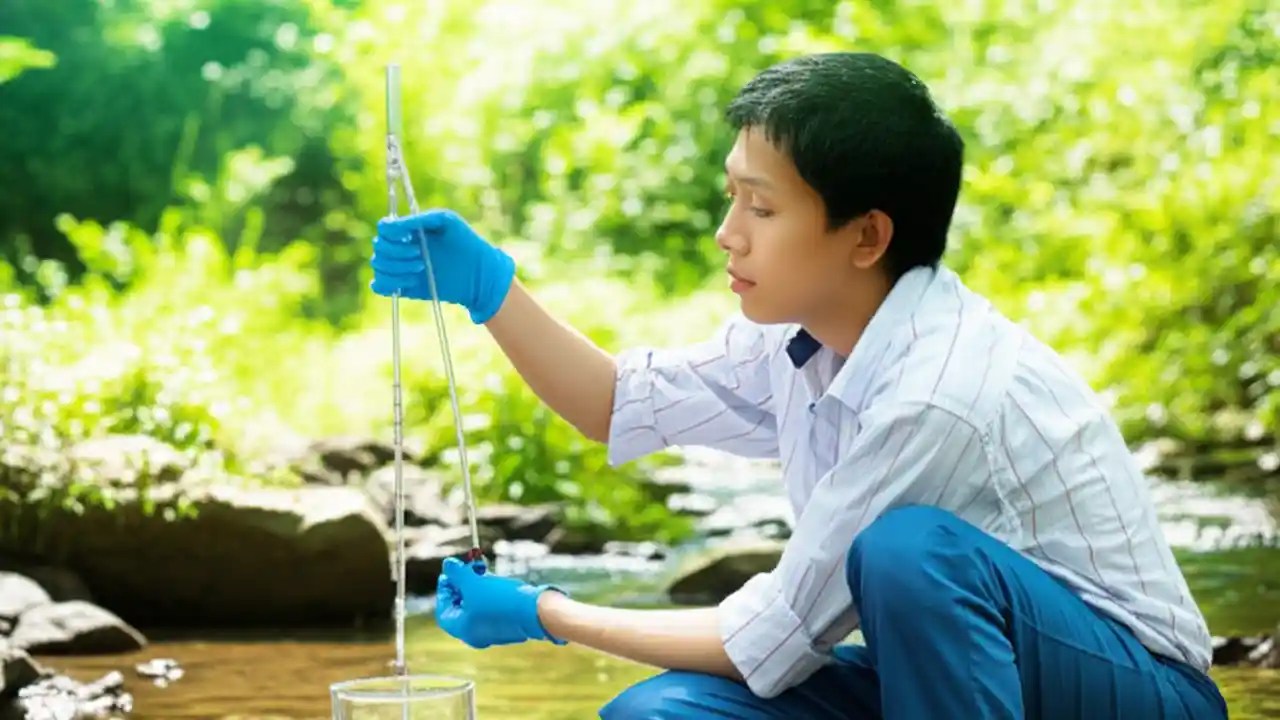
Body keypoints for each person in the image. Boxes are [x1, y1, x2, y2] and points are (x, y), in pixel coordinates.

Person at [368, 52, 1227, 719]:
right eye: (731, 198)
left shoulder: (938, 392)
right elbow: (617, 401)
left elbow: (768, 642)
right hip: (954, 684)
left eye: (761, 209)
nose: (726, 234)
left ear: (866, 236)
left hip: (1135, 693)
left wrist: (545, 611)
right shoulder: (799, 336)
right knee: (660, 711)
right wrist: (489, 290)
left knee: (910, 553)